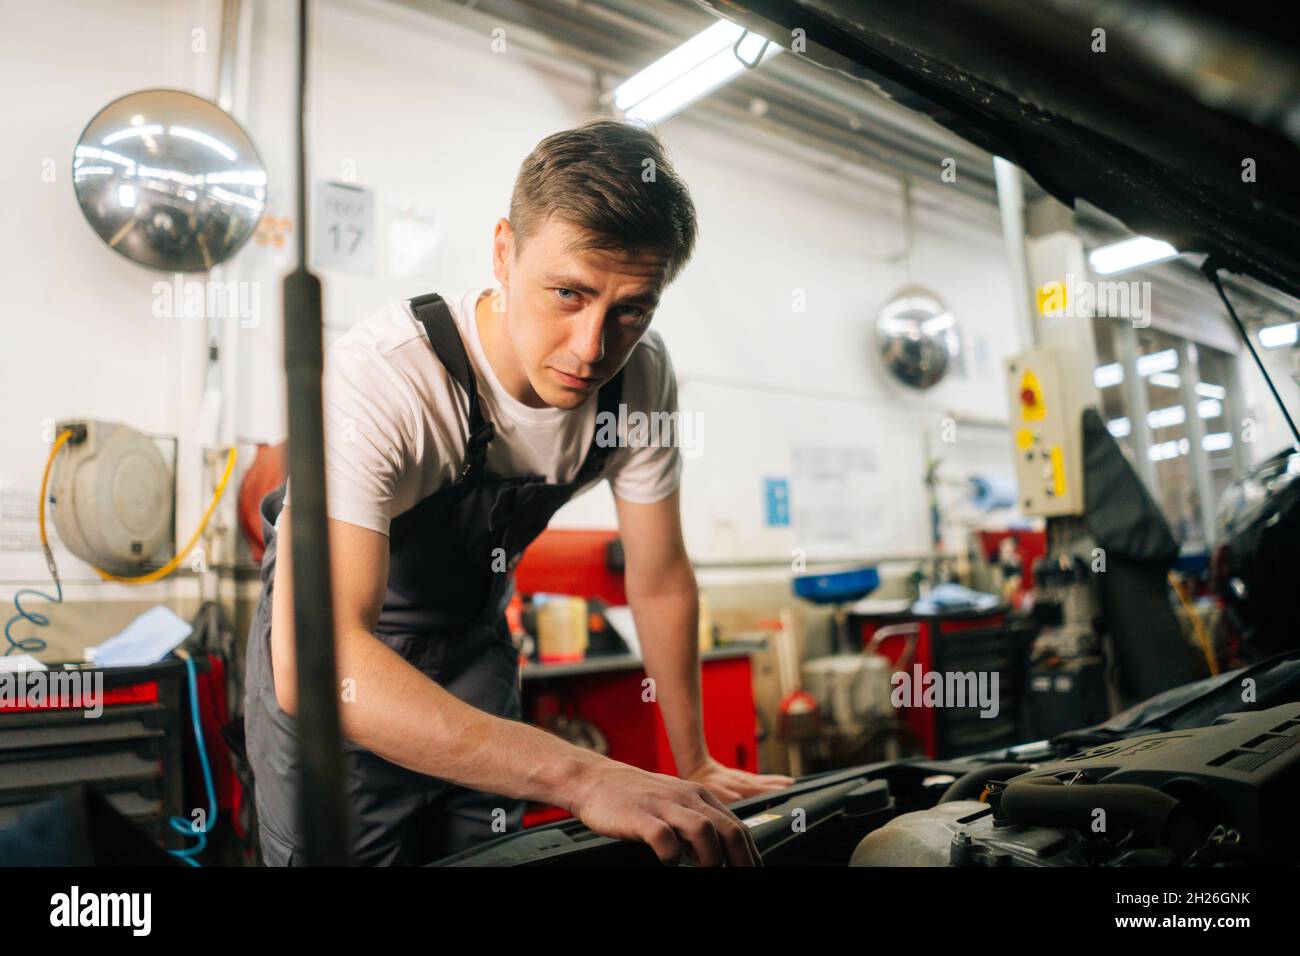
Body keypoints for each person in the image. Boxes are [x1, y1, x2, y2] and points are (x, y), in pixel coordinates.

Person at [244, 119, 793, 866]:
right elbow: (322, 659)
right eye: (568, 293)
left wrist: (692, 760)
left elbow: (659, 580)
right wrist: (581, 773)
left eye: (632, 309)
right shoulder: (386, 378)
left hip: (477, 644)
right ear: (504, 251)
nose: (592, 348)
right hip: (342, 659)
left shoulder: (640, 380)